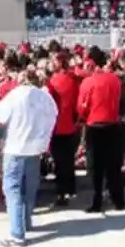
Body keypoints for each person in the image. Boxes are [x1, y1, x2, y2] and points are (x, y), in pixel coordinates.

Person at [0, 69, 58, 247]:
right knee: (30, 188)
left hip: (15, 147)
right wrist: (44, 137)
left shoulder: (15, 95)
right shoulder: (44, 97)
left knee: (12, 189)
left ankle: (17, 233)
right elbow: (53, 114)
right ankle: (26, 222)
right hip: (34, 148)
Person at [78, 47, 125, 213]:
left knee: (95, 168)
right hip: (113, 126)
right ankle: (118, 199)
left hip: (95, 127)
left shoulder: (88, 82)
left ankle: (96, 201)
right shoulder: (115, 80)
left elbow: (81, 109)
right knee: (113, 166)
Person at [45, 54, 81, 207]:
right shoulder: (73, 80)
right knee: (69, 159)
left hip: (56, 127)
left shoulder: (52, 82)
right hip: (71, 125)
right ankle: (70, 188)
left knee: (59, 162)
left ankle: (61, 193)